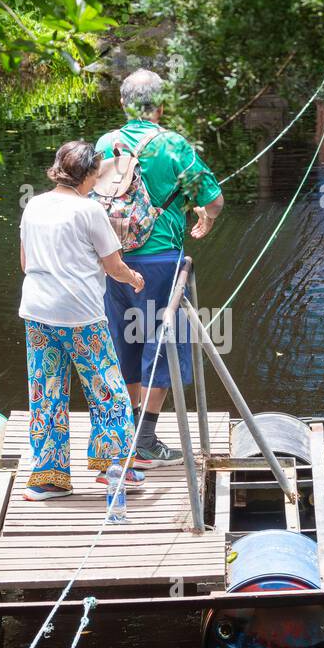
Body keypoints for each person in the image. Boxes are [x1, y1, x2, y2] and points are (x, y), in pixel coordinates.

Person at [96, 69, 225, 465]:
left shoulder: (105, 143)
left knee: (124, 342)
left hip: (112, 260)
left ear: (122, 104)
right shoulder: (173, 145)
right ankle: (147, 438)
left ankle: (131, 430)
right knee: (163, 342)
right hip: (160, 261)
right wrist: (206, 216)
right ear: (162, 106)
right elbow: (214, 198)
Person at [19, 140, 147, 501]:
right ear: (89, 174)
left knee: (46, 392)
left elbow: (26, 264)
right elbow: (114, 266)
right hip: (80, 317)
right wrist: (134, 279)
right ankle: (114, 470)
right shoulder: (90, 211)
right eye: (96, 173)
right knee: (108, 390)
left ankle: (48, 479)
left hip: (37, 313)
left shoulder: (34, 206)